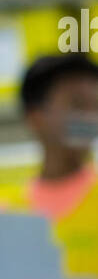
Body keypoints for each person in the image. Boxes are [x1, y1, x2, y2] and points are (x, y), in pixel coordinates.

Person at [20, 53, 98, 219]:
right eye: (78, 105)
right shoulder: (10, 214)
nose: (92, 118)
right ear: (36, 117)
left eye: (97, 106)